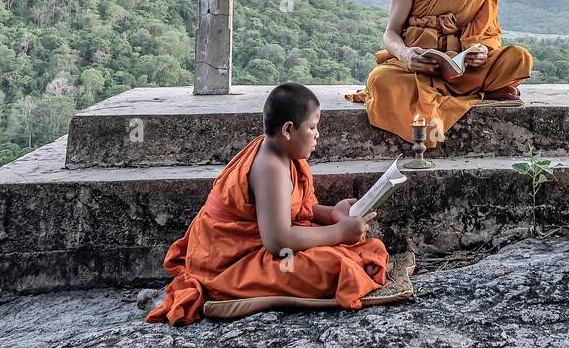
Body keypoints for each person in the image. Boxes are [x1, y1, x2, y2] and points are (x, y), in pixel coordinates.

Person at [145, 83, 389, 325]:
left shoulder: (280, 152)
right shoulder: (271, 168)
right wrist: (338, 232)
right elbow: (277, 243)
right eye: (312, 128)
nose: (317, 135)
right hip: (229, 259)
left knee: (358, 250)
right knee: (335, 267)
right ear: (288, 130)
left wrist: (332, 214)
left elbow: (293, 210)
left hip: (259, 242)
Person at [347, 0, 533, 145]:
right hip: (418, 66)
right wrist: (405, 55)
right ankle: (472, 92)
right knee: (380, 80)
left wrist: (482, 50)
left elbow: (488, 34)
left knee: (519, 58)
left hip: (460, 67)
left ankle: (461, 89)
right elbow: (391, 33)